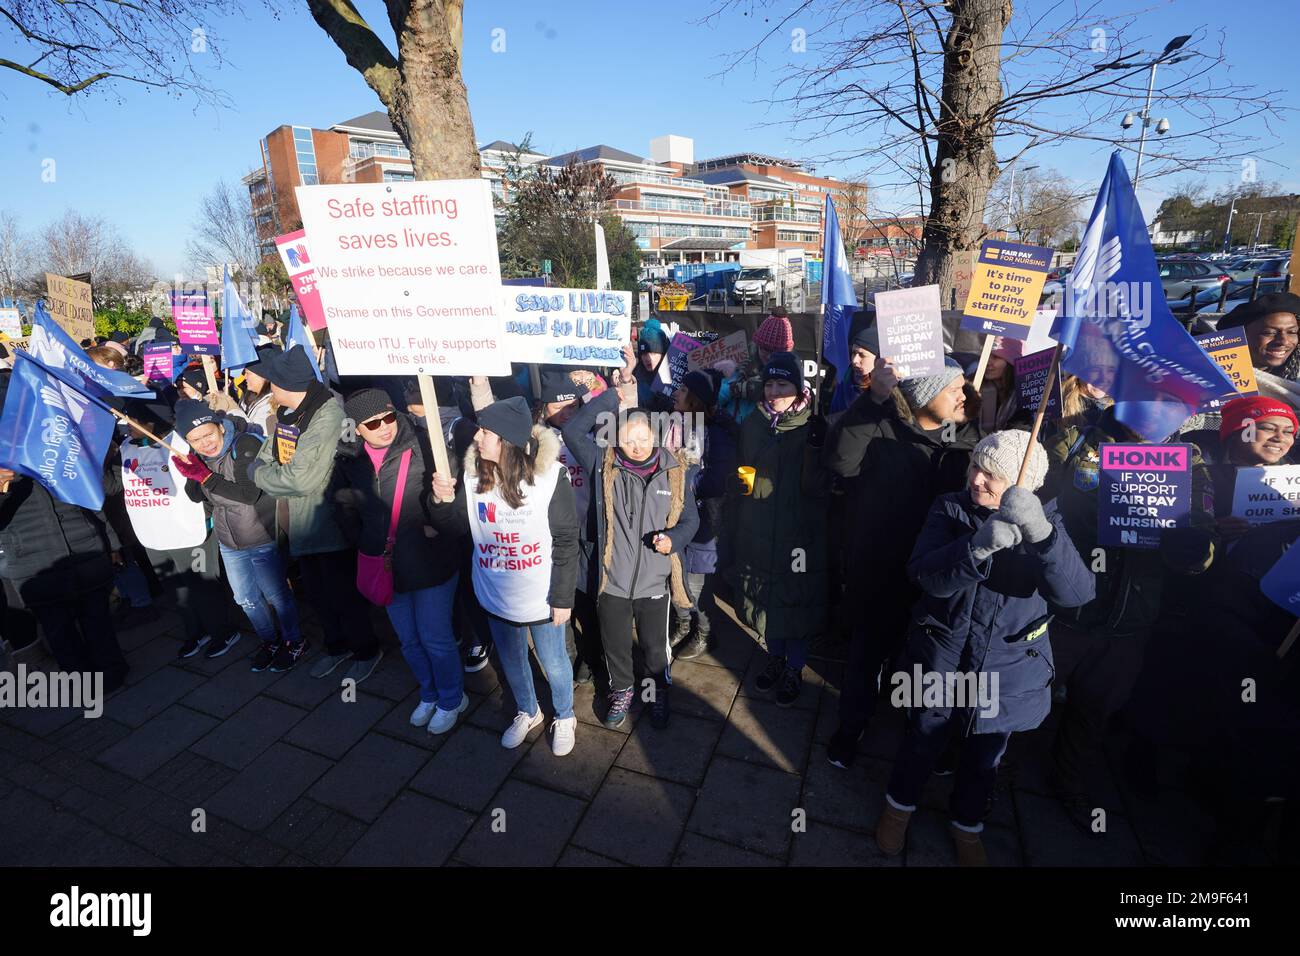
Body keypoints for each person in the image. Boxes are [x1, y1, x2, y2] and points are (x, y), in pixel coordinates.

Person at [874, 430, 1095, 865]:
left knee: (984, 756)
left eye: (992, 474)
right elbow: (923, 574)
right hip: (941, 652)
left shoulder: (1050, 520)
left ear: (1022, 483)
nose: (977, 479)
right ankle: (898, 808)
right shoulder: (950, 507)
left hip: (1005, 664)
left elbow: (1076, 595)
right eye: (976, 465)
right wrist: (974, 549)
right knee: (922, 738)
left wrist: (1043, 537)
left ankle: (967, 826)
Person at [1046, 399, 1218, 832]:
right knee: (1029, 697)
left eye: (1166, 405)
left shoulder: (1191, 463)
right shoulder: (1078, 440)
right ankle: (997, 769)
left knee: (1095, 710)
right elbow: (1037, 493)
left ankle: (1070, 784)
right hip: (1064, 605)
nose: (1152, 412)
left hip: (1129, 617)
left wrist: (1193, 548)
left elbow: (1203, 537)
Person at [823, 356, 983, 767]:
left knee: (928, 663)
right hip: (880, 571)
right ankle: (851, 727)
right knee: (865, 657)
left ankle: (924, 737)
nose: (963, 395)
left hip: (937, 577)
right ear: (926, 396)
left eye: (964, 386)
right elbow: (840, 461)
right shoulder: (880, 426)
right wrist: (873, 397)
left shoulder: (964, 440)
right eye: (954, 388)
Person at [430, 397, 580, 756]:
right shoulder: (472, 476)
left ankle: (565, 715)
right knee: (513, 662)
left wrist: (562, 597)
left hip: (542, 596)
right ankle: (528, 711)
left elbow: (565, 538)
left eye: (485, 432)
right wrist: (442, 503)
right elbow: (456, 529)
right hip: (494, 593)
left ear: (507, 441)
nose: (477, 437)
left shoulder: (549, 478)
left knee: (554, 662)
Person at [561, 383, 701, 729]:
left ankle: (655, 692)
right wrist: (613, 397)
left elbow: (690, 520)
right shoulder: (602, 465)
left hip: (655, 582)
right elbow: (572, 430)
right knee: (616, 646)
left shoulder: (674, 471)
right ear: (614, 438)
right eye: (627, 438)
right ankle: (621, 690)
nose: (636, 446)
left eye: (642, 438)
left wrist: (674, 538)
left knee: (655, 649)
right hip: (613, 581)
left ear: (654, 436)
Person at [334, 389, 468, 733]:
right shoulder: (350, 460)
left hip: (430, 564)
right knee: (408, 639)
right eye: (373, 423)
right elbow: (344, 505)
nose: (384, 427)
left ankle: (452, 698)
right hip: (386, 566)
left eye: (389, 417)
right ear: (357, 428)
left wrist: (439, 504)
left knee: (435, 637)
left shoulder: (428, 448)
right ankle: (429, 693)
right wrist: (364, 540)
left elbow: (456, 518)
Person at [248, 345, 381, 683]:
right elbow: (269, 455)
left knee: (342, 593)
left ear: (287, 387)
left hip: (327, 522)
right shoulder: (290, 415)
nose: (269, 389)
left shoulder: (328, 415)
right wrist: (268, 470)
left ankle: (366, 650)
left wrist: (259, 474)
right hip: (300, 524)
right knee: (318, 596)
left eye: (273, 383)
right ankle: (335, 647)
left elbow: (299, 478)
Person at [170, 399, 302, 671]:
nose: (205, 443)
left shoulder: (245, 445)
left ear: (219, 426)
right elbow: (195, 497)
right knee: (245, 598)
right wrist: (192, 469)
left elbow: (249, 494)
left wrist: (205, 477)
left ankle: (294, 641)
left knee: (276, 596)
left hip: (261, 534)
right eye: (196, 440)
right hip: (229, 540)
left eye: (208, 434)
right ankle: (270, 640)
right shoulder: (201, 456)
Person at [731, 351, 828, 707]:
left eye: (782, 384)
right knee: (766, 599)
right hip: (758, 529)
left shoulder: (810, 427)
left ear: (798, 388)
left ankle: (794, 667)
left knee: (795, 600)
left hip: (799, 537)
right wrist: (746, 506)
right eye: (769, 384)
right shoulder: (754, 423)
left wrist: (817, 449)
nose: (774, 391)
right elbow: (745, 471)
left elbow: (817, 489)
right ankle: (775, 657)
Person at [112, 404, 237, 660]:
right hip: (154, 534)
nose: (126, 424)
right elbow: (112, 486)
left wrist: (206, 513)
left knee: (203, 585)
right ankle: (196, 631)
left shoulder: (181, 443)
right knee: (175, 587)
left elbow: (205, 482)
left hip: (189, 530)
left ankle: (222, 632)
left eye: (132, 419)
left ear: (150, 420)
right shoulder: (125, 447)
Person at [0, 468, 129, 693]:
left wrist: (111, 542)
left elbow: (91, 501)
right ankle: (81, 684)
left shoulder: (56, 453)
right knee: (59, 632)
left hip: (85, 549)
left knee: (98, 620)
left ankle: (113, 670)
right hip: (34, 563)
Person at [667, 368, 737, 660]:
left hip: (703, 524)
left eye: (683, 391)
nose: (676, 394)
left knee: (694, 586)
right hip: (675, 517)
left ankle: (705, 634)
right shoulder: (673, 423)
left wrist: (682, 485)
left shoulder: (715, 435)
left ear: (695, 400)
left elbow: (717, 480)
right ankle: (684, 624)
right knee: (675, 578)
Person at [721, 310, 794, 423]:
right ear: (757, 346)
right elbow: (715, 398)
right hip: (731, 429)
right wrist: (733, 389)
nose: (769, 356)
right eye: (765, 349)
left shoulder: (791, 376)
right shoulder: (743, 366)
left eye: (776, 352)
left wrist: (762, 391)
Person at [633, 319, 673, 411]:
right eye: (644, 354)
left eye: (653, 353)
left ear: (663, 355)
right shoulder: (635, 376)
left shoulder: (675, 376)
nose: (648, 358)